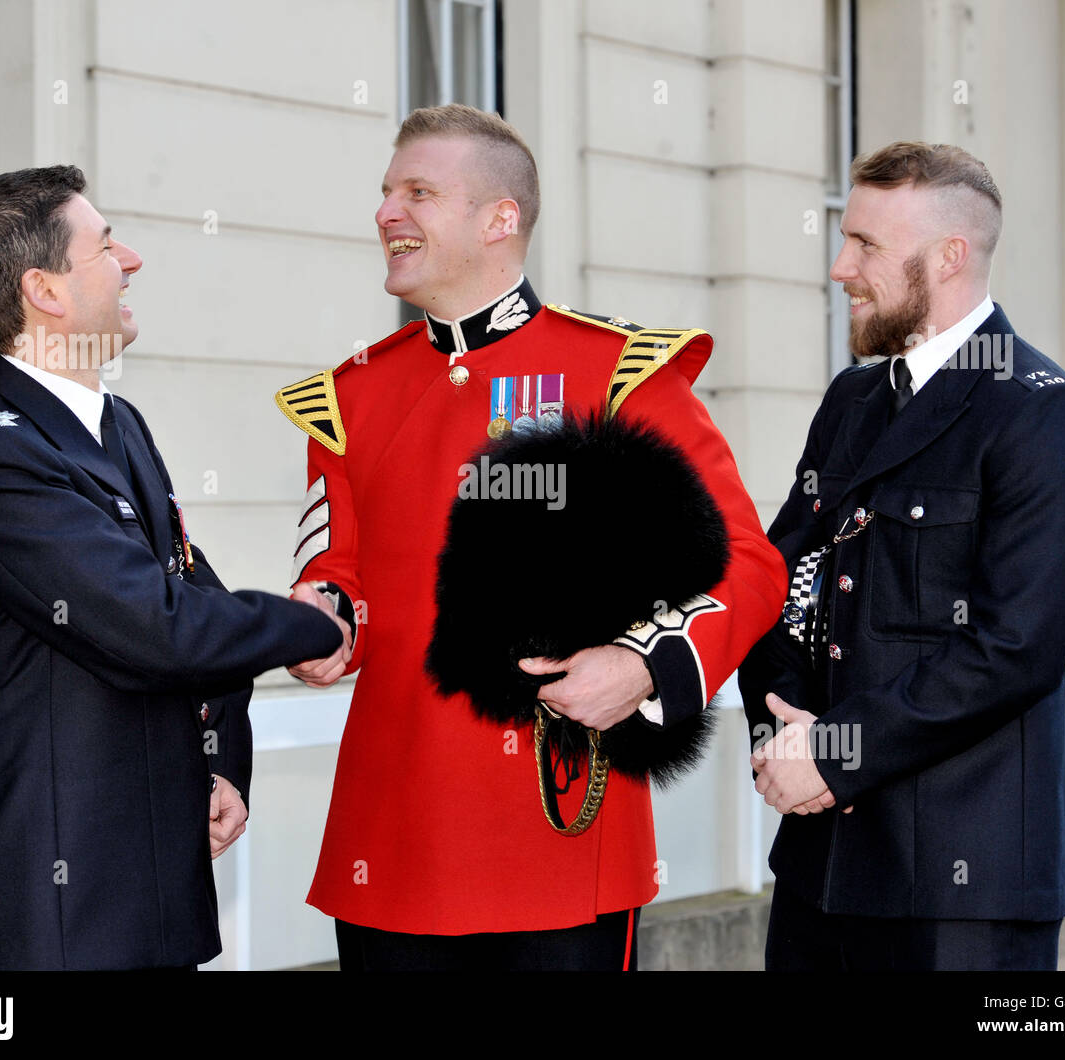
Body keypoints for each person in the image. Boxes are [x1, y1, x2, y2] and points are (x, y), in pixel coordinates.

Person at [277, 104, 787, 970]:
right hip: (391, 837)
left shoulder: (618, 371)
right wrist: (325, 617)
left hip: (556, 823)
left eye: (418, 192)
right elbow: (342, 569)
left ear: (499, 219)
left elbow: (748, 564)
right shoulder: (347, 396)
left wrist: (640, 665)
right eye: (386, 192)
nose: (386, 213)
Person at [0, 165, 348, 970]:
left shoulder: (117, 424)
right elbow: (157, 628)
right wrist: (310, 621)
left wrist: (221, 763)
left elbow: (195, 593)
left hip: (151, 894)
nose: (133, 260)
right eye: (107, 244)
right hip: (54, 916)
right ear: (44, 291)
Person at [737, 141, 1065, 971]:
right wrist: (785, 736)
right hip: (823, 864)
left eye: (866, 245)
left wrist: (833, 752)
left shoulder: (1045, 416)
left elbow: (1013, 651)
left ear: (951, 256)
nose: (841, 268)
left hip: (963, 885)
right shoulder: (853, 401)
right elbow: (783, 581)